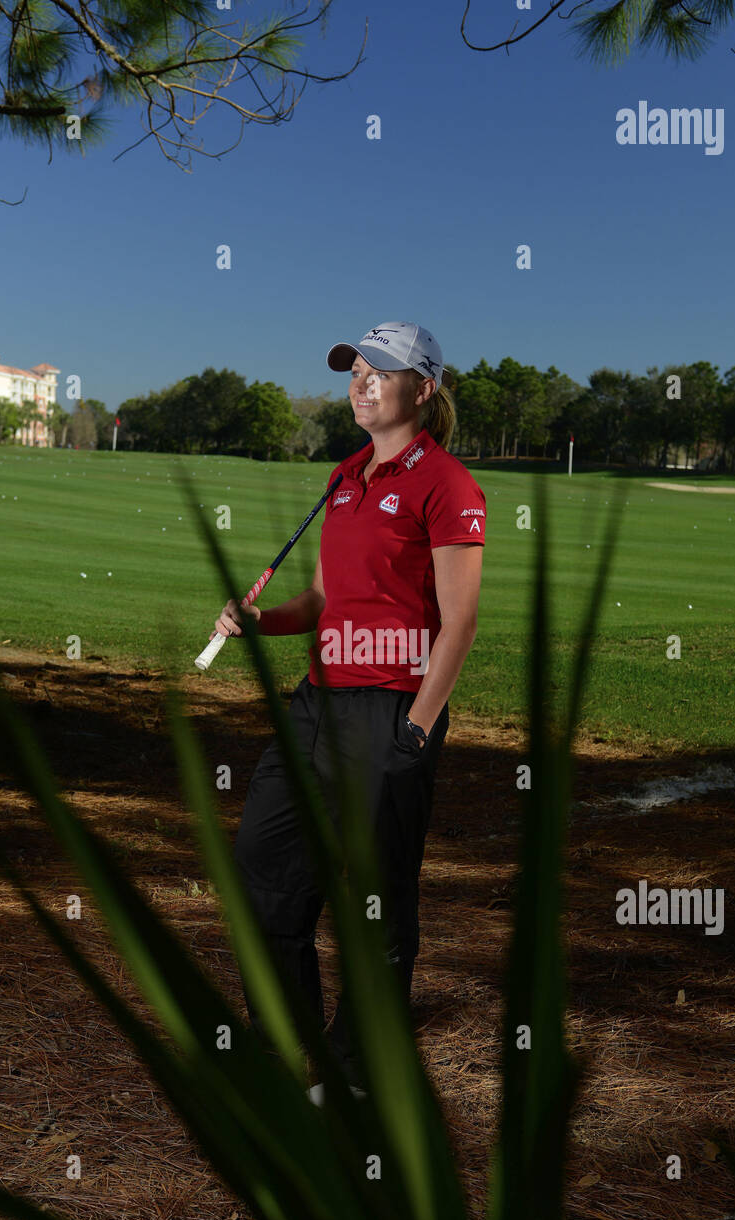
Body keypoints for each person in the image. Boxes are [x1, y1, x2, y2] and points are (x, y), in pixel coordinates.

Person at [214, 321, 486, 1100]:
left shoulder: (448, 485)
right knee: (264, 868)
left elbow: (460, 621)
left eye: (381, 372)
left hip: (394, 709)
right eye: (355, 370)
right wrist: (261, 620)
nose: (360, 383)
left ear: (423, 389)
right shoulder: (345, 475)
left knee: (376, 899)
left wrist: (418, 729)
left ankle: (359, 1067)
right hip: (317, 706)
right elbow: (328, 599)